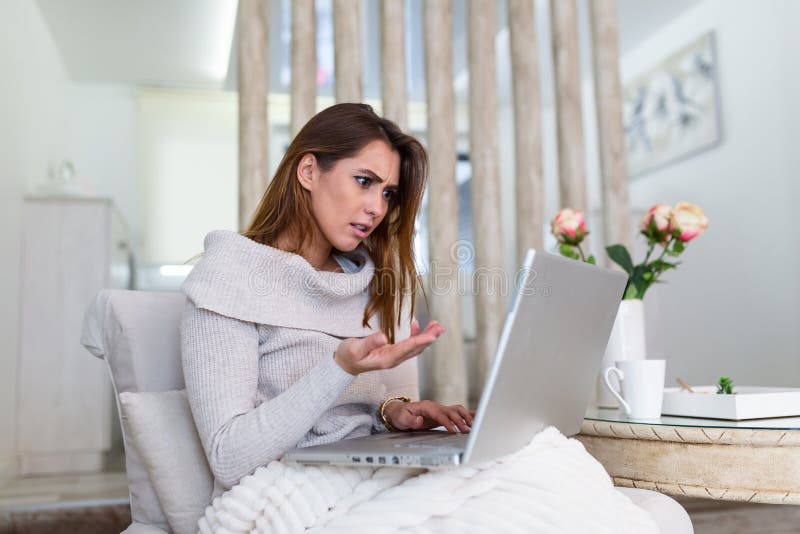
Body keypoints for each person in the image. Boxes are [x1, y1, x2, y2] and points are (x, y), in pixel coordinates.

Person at [181, 103, 473, 492]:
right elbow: (229, 457)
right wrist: (339, 368)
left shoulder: (369, 284)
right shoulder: (229, 277)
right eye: (364, 181)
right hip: (285, 491)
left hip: (368, 477)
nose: (377, 208)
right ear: (308, 171)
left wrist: (394, 413)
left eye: (387, 193)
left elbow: (348, 415)